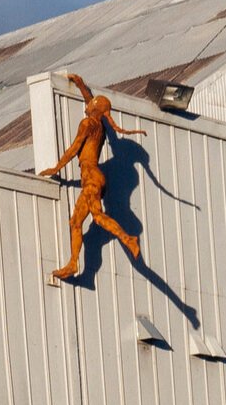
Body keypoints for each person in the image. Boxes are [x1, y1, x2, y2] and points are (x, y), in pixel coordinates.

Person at [41, 72, 147, 281]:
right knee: (75, 222)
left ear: (94, 110)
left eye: (89, 106)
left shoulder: (87, 124)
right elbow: (92, 103)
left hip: (90, 177)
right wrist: (81, 85)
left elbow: (74, 149)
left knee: (97, 217)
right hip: (93, 177)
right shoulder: (99, 126)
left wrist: (56, 168)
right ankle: (73, 264)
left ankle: (128, 238)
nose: (86, 106)